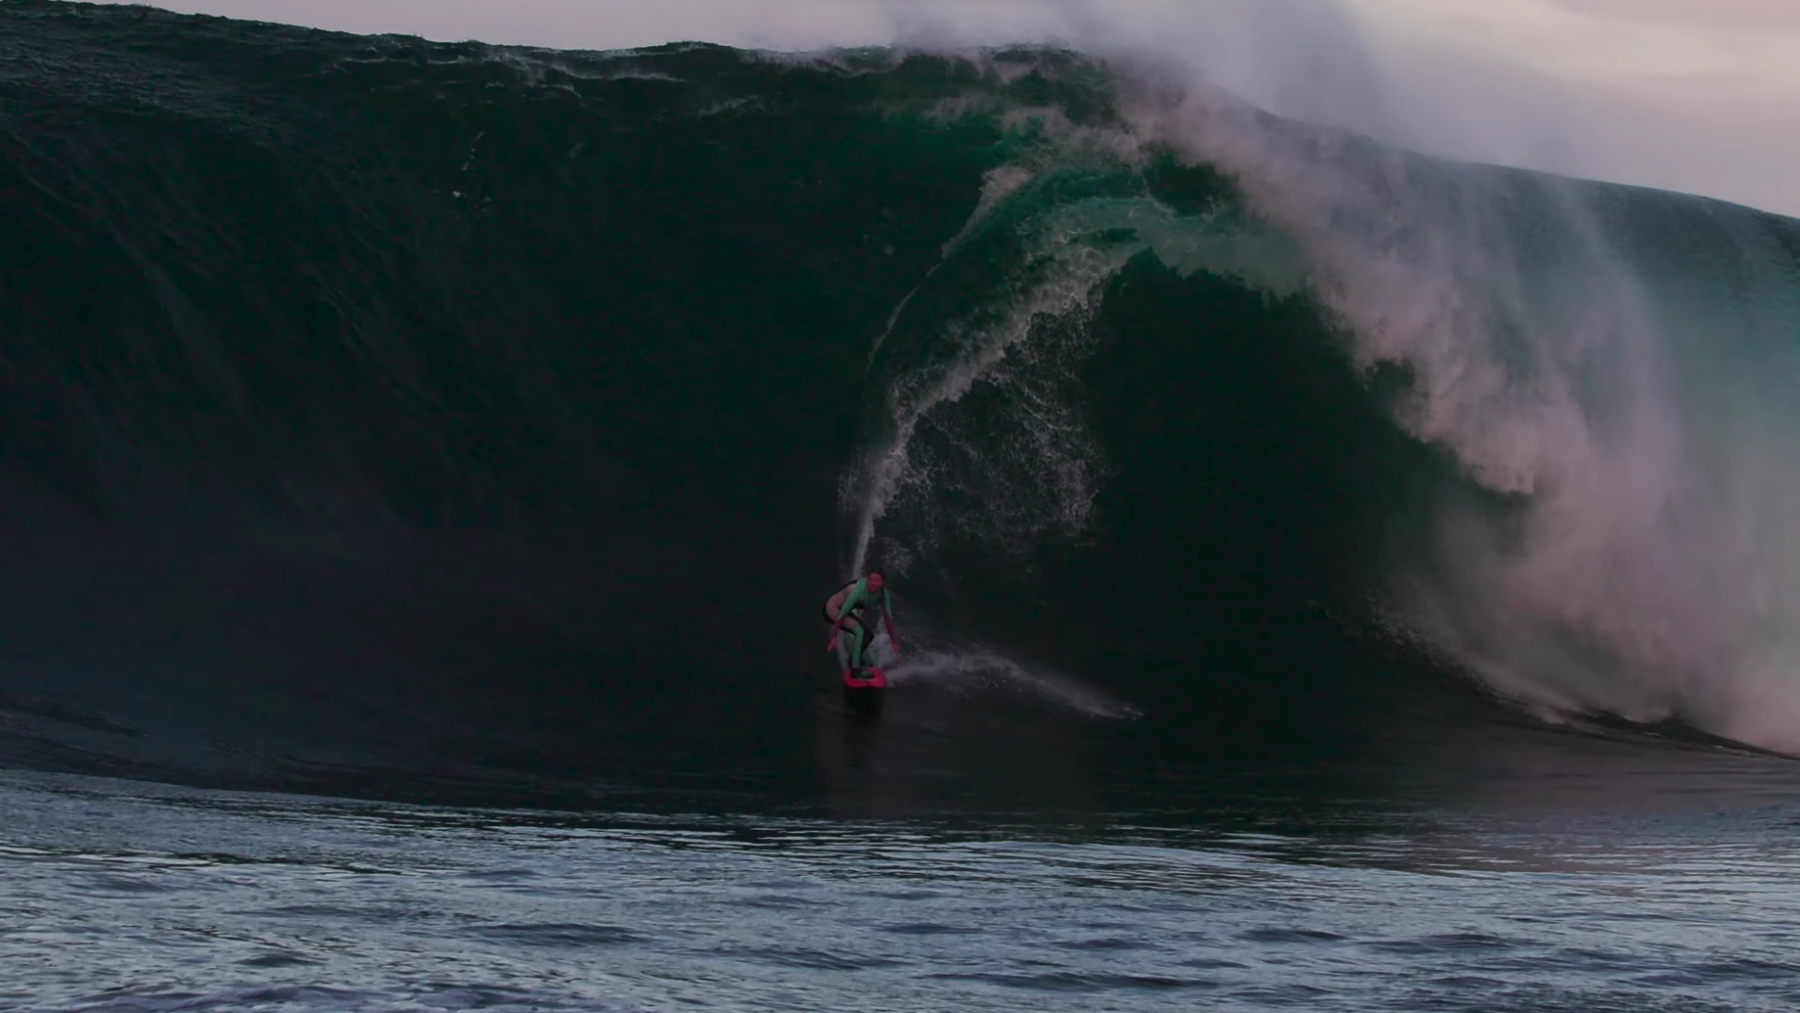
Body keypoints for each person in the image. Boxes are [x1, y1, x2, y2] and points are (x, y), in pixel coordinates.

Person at [824, 570, 900, 676]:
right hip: (833, 609)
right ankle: (854, 668)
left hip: (845, 611)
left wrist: (894, 642)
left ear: (882, 583)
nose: (873, 583)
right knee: (860, 632)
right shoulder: (858, 591)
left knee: (869, 635)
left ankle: (856, 658)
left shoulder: (883, 595)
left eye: (877, 581)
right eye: (871, 580)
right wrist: (834, 637)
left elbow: (888, 619)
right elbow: (841, 615)